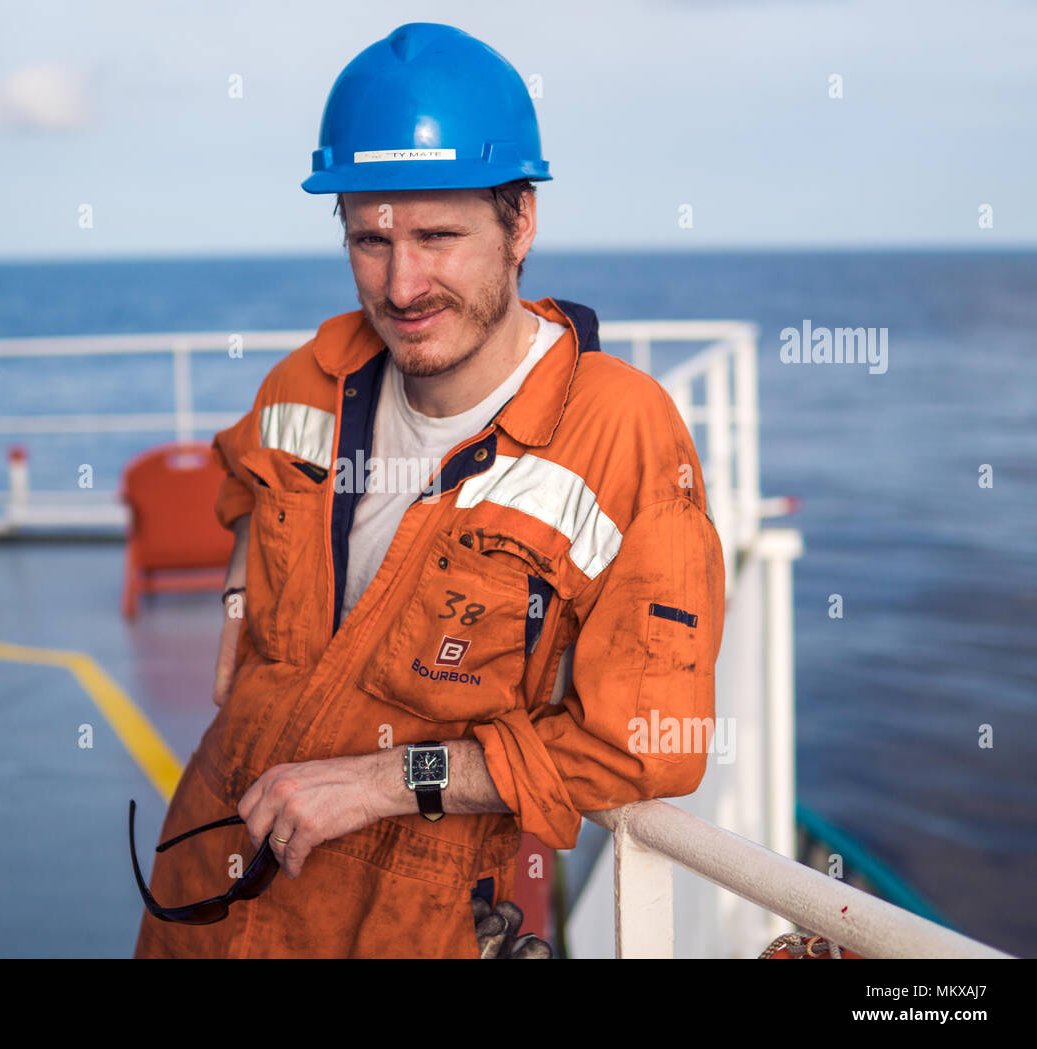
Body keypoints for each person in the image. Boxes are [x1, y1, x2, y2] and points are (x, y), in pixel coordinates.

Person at [132, 21, 725, 959]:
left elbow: (647, 745)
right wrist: (241, 591)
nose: (402, 284)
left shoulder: (621, 437)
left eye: (439, 237)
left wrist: (379, 780)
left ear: (520, 221)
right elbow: (246, 469)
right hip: (202, 882)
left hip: (401, 920)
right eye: (370, 239)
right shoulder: (309, 375)